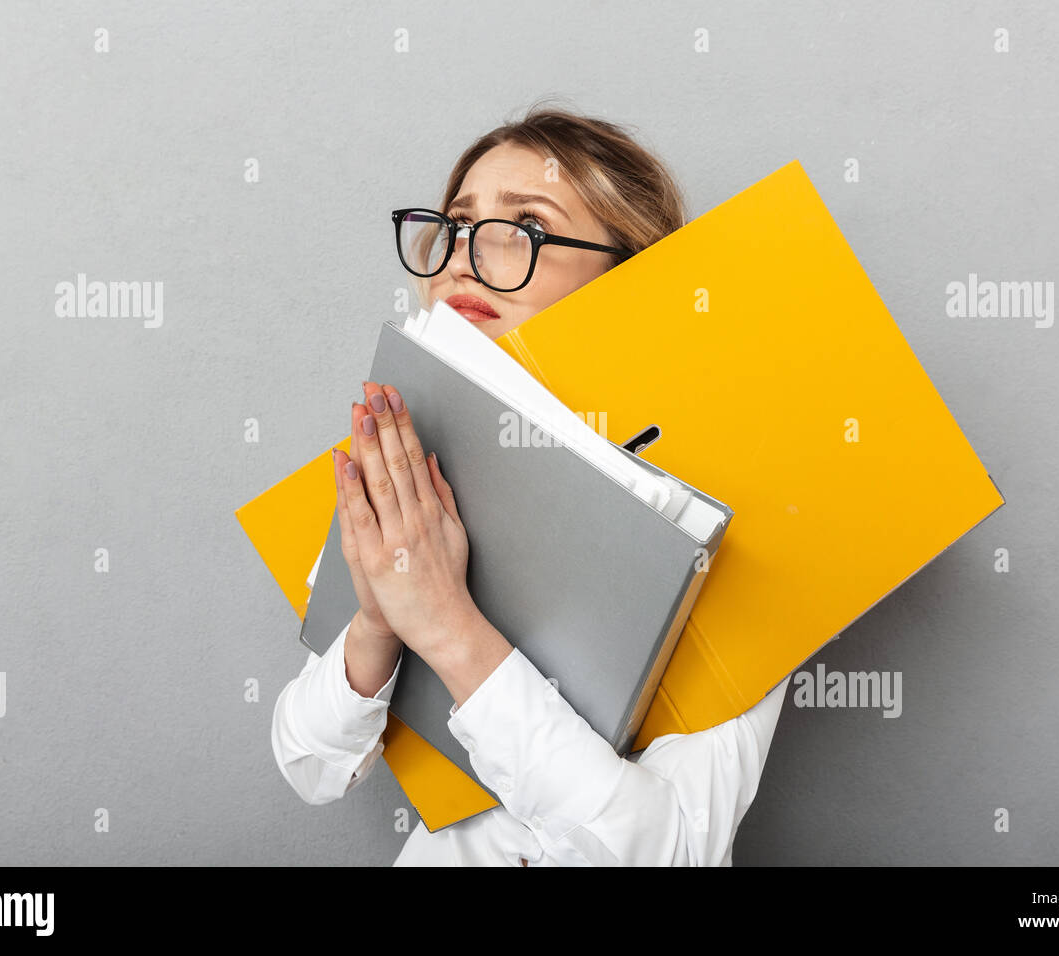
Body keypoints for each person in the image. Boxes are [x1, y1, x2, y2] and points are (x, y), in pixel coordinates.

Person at [271, 103, 790, 866]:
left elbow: (669, 855)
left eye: (529, 228)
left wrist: (448, 625)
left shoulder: (720, 527)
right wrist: (379, 619)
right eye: (456, 224)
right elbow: (311, 767)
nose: (465, 258)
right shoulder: (405, 477)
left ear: (631, 280)